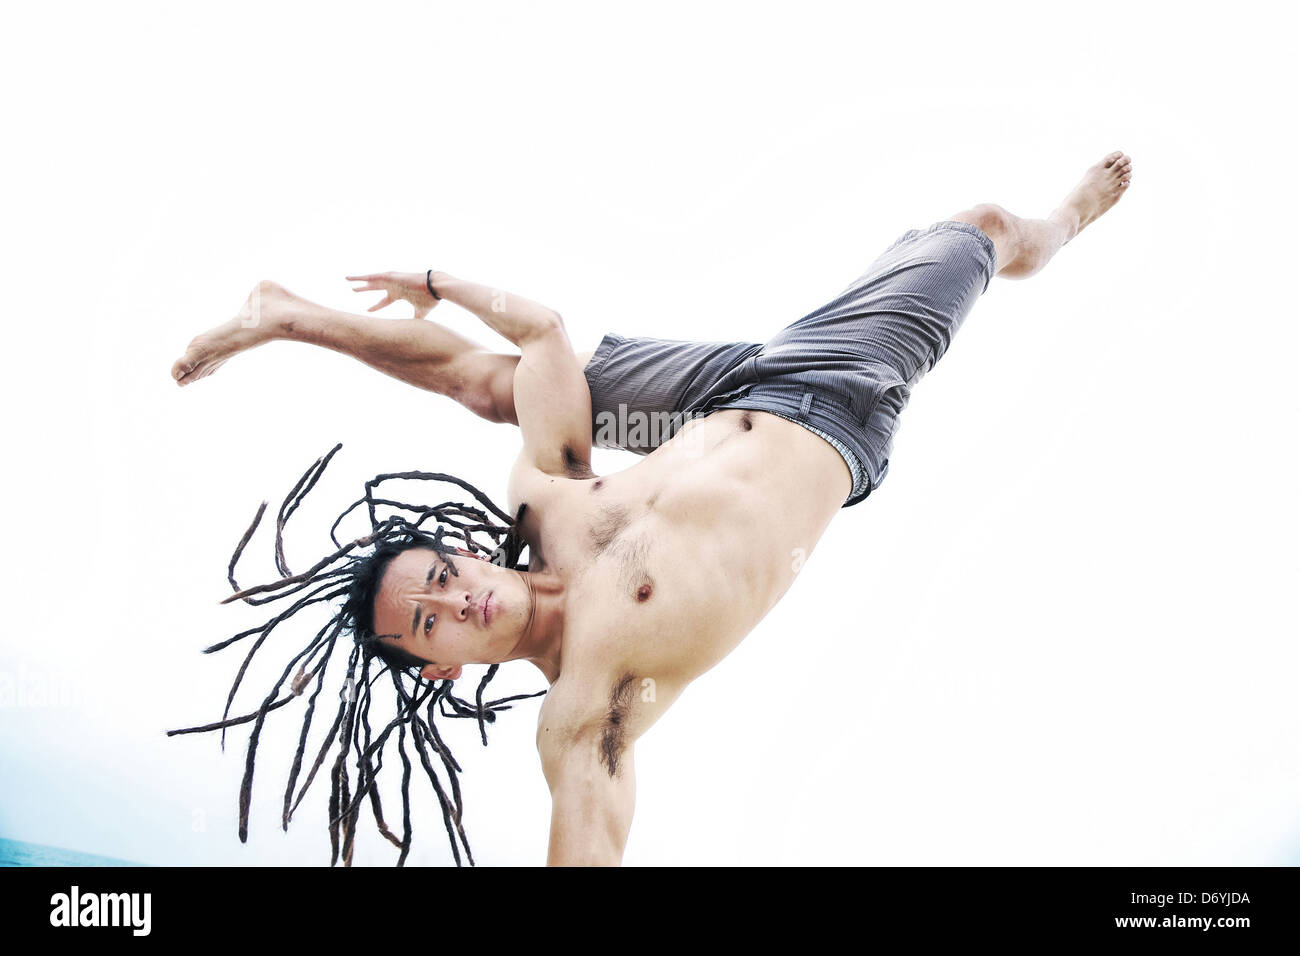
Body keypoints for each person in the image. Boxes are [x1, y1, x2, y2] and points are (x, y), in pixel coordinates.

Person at [171, 152, 1132, 866]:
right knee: (985, 222)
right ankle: (1044, 231)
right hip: (840, 398)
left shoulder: (544, 504)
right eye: (430, 626)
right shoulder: (589, 702)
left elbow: (542, 334)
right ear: (443, 675)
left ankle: (284, 314)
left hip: (719, 393)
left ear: (458, 556)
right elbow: (586, 840)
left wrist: (440, 286)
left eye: (438, 579)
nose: (455, 602)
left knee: (497, 385)